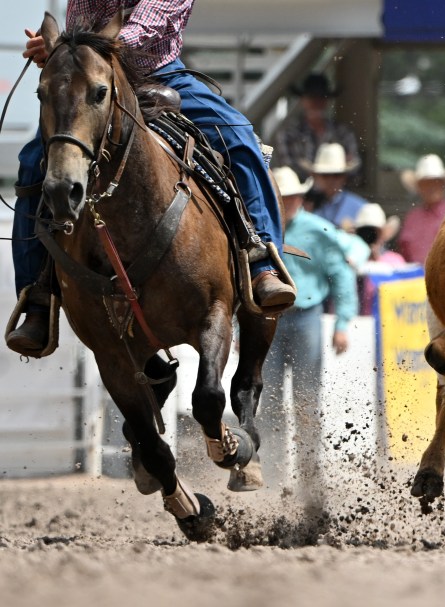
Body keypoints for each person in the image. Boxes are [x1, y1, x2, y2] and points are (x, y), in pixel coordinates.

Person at [7, 0, 294, 355]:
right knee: (33, 163)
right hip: (93, 80)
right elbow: (80, 26)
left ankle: (261, 263)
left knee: (239, 137)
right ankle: (37, 297)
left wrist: (75, 47)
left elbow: (145, 26)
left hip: (162, 75)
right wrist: (58, 50)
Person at [258, 166, 357, 486]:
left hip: (306, 317)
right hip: (269, 319)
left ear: (300, 197)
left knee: (306, 399)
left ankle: (309, 478)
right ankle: (273, 474)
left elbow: (341, 274)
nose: (286, 202)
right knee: (267, 397)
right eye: (280, 197)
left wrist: (342, 322)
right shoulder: (260, 228)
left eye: (290, 197)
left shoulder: (316, 230)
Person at [271, 72, 361, 183]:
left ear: (327, 101)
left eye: (321, 97)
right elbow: (288, 170)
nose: (316, 102)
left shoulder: (343, 132)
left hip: (337, 193)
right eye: (312, 97)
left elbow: (355, 165)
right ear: (302, 100)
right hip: (301, 195)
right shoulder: (288, 134)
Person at [396, 154, 445, 265]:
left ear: (443, 184)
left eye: (435, 181)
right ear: (419, 187)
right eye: (426, 183)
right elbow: (404, 253)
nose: (431, 187)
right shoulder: (412, 217)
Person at [353, 202, 407, 315]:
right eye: (365, 232)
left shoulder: (395, 261)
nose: (369, 236)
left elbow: (403, 299)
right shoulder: (349, 259)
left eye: (373, 232)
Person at [309, 142, 366, 233]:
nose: (331, 180)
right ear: (315, 176)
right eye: (325, 175)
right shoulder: (304, 205)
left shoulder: (361, 208)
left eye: (336, 175)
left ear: (345, 177)